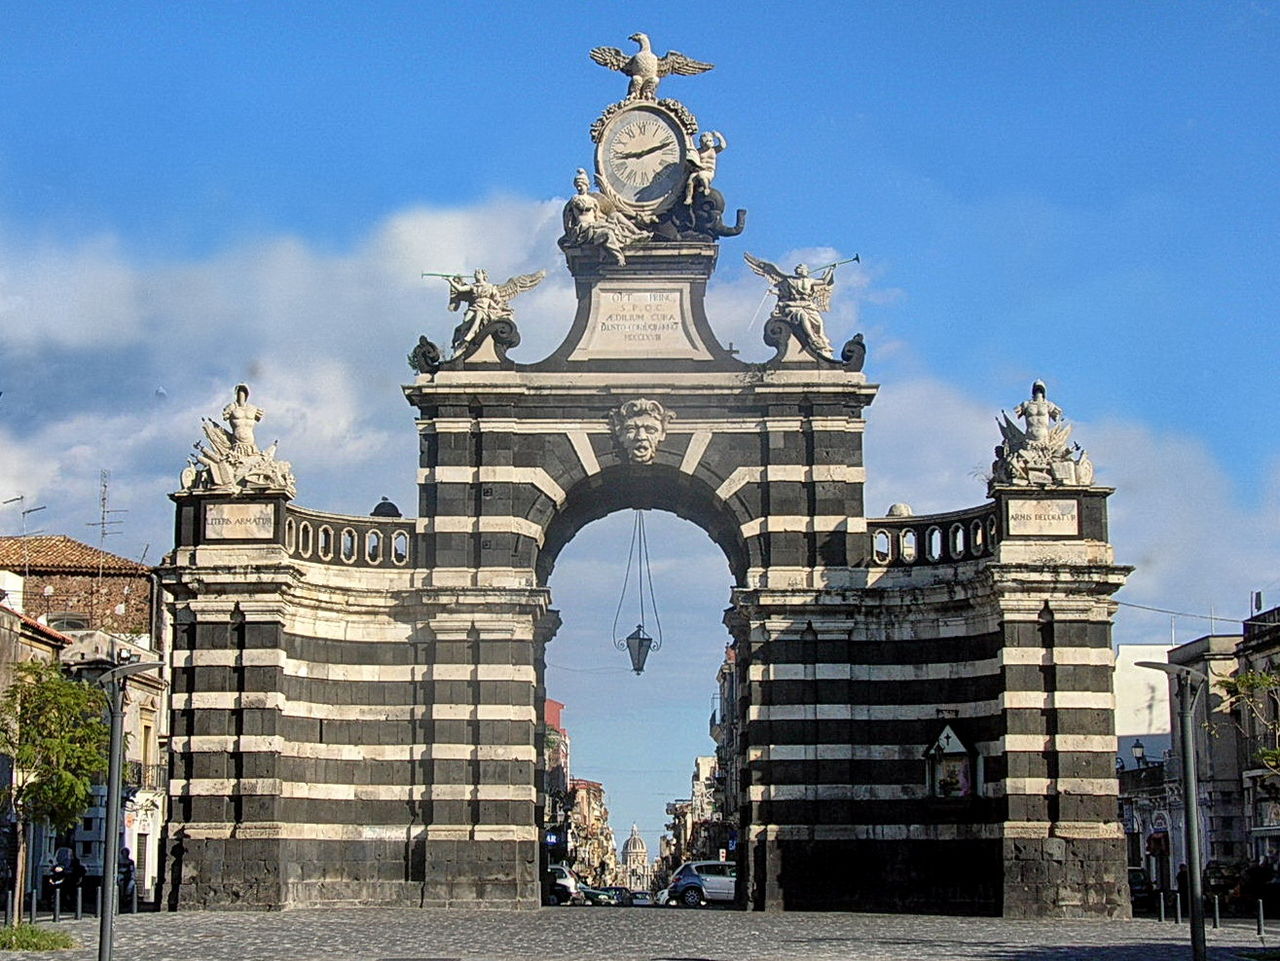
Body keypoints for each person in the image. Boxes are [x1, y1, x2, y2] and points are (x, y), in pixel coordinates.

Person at [684, 130, 727, 206]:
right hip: (699, 170)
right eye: (708, 141)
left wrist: (718, 136)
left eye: (711, 140)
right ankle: (689, 197)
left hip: (708, 171)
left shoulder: (713, 150)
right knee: (690, 181)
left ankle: (706, 188)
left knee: (702, 175)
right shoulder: (698, 152)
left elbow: (723, 146)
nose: (711, 142)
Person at [221, 384, 263, 455]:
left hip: (251, 445)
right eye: (240, 391)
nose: (241, 394)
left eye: (243, 391)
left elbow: (259, 417)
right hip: (237, 444)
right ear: (236, 393)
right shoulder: (231, 408)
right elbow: (225, 417)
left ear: (247, 394)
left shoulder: (253, 409)